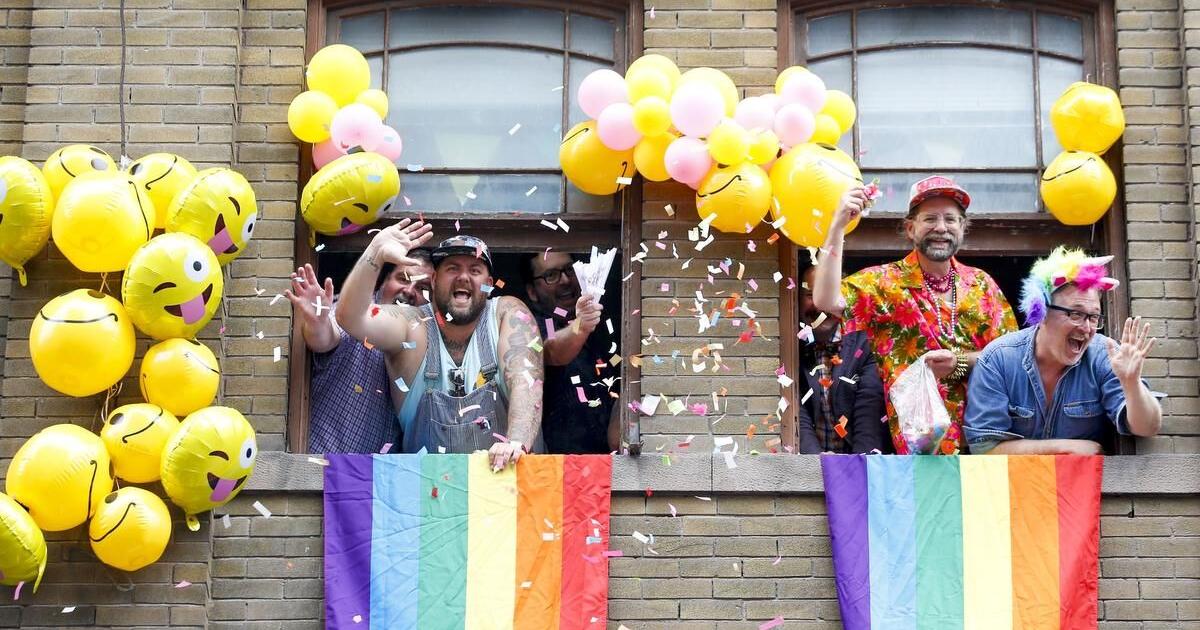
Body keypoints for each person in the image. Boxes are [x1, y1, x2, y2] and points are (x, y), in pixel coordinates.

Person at [811, 175, 1017, 454]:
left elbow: (1012, 357)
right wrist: (838, 226)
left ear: (963, 227)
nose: (941, 228)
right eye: (930, 219)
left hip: (983, 443)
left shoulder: (982, 285)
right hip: (918, 449)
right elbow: (825, 299)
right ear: (910, 228)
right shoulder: (885, 283)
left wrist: (959, 362)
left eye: (951, 219)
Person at [336, 222, 543, 470]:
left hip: (513, 490)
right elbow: (350, 317)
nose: (463, 277)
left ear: (488, 285)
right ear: (434, 280)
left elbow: (526, 382)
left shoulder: (506, 313)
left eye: (475, 270)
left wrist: (515, 443)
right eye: (452, 268)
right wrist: (375, 253)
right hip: (430, 500)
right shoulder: (413, 325)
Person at [964, 247, 1162, 454]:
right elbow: (985, 449)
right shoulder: (999, 359)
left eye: (1094, 317)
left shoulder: (1106, 356)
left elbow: (1147, 427)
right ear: (1041, 312)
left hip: (1085, 485)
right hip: (1011, 485)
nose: (1086, 328)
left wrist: (1131, 383)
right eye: (1075, 314)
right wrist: (1064, 448)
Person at [286, 249, 434, 454]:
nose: (409, 290)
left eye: (423, 288)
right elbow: (325, 337)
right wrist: (317, 321)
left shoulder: (426, 342)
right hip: (318, 476)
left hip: (376, 482)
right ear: (383, 280)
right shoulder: (353, 314)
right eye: (403, 278)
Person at [521, 251, 619, 454]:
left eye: (569, 270)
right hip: (555, 469)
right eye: (551, 275)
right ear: (532, 292)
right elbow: (551, 351)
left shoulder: (601, 330)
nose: (565, 280)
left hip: (607, 467)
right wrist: (580, 326)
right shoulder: (532, 325)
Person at [796, 265, 889, 454]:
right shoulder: (793, 346)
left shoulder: (867, 344)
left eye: (827, 297)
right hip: (813, 467)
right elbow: (799, 414)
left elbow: (869, 412)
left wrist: (853, 467)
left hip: (860, 464)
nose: (819, 306)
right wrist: (816, 462)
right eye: (809, 295)